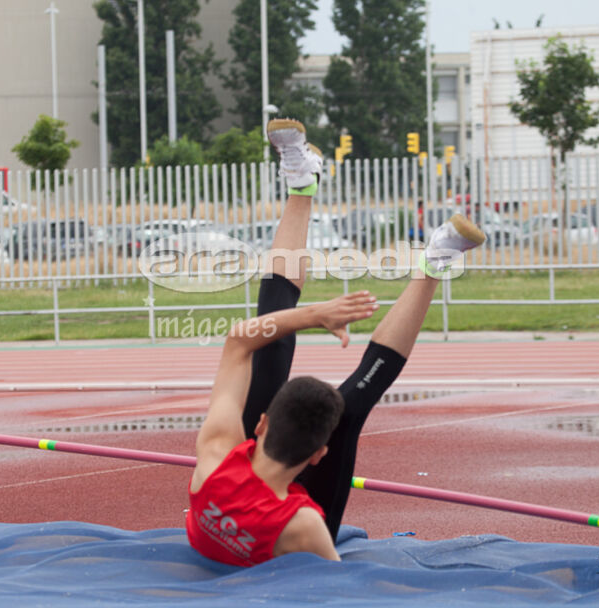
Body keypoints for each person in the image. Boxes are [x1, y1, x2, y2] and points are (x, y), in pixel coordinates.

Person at [186, 119, 485, 566]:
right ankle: (433, 264)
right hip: (283, 533)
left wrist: (313, 316)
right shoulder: (303, 522)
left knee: (274, 339)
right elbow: (335, 585)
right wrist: (316, 315)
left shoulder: (216, 458)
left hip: (253, 506)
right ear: (317, 456)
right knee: (346, 409)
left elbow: (237, 341)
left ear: (262, 424)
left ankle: (302, 186)